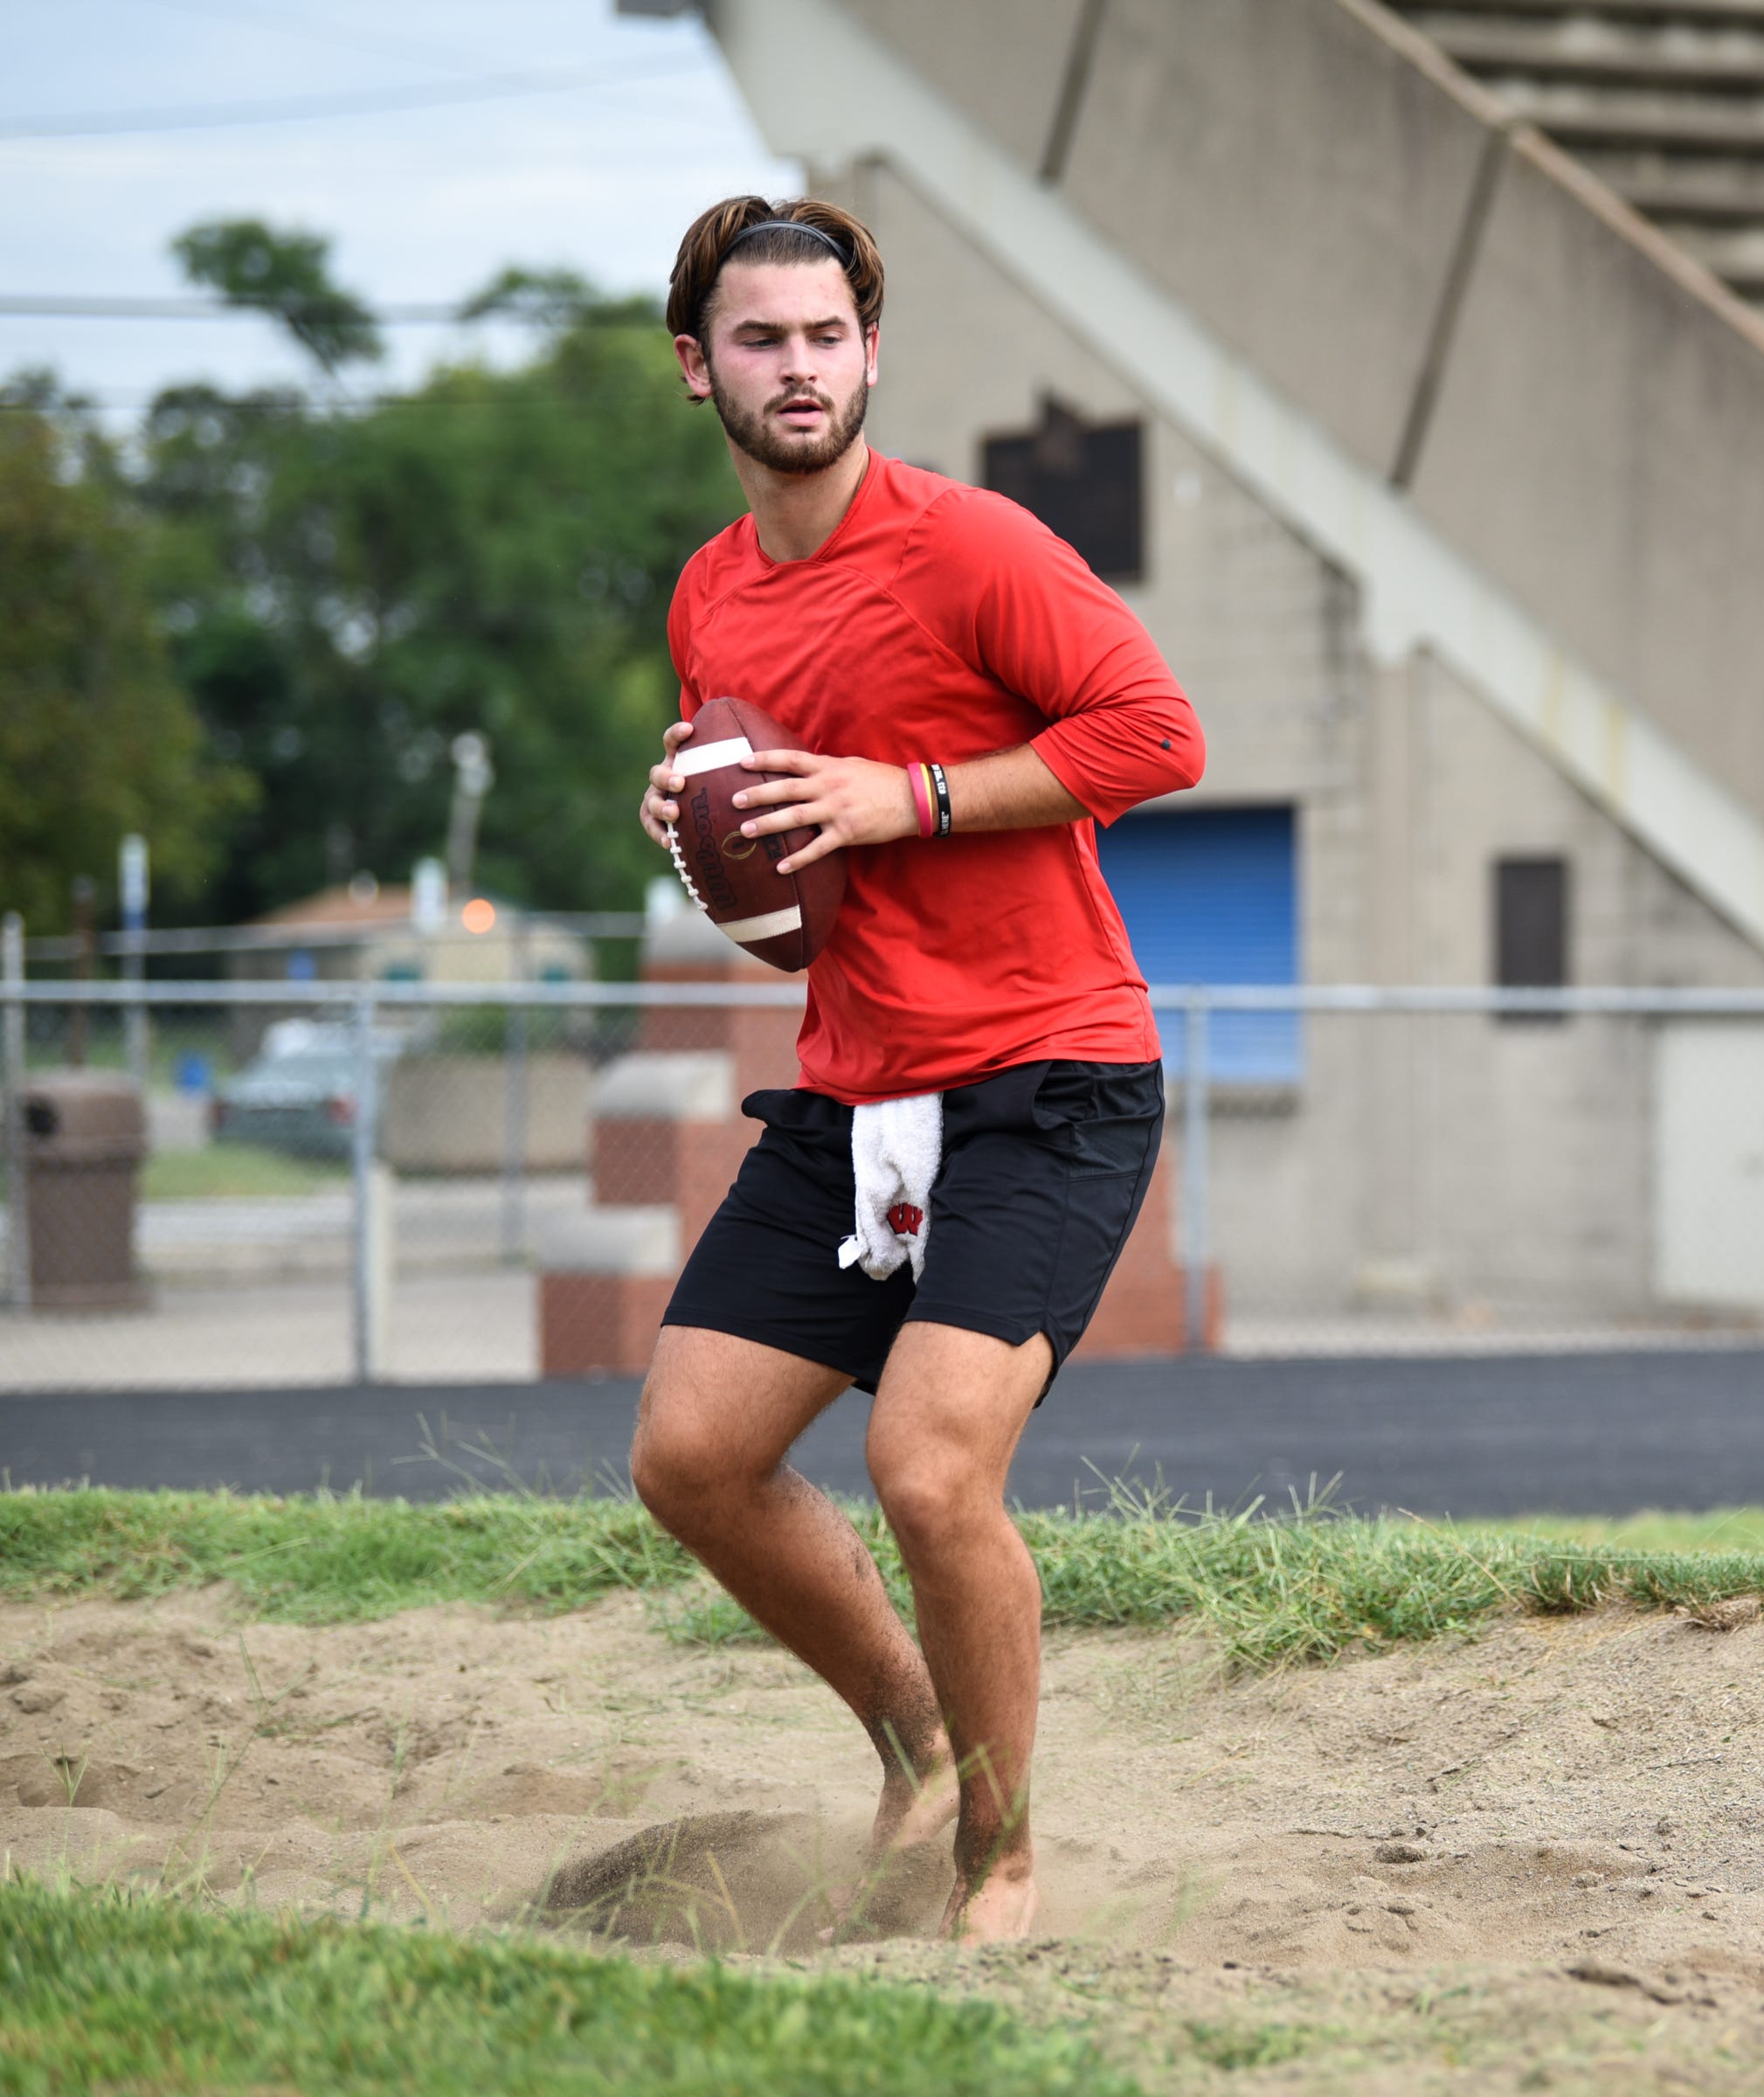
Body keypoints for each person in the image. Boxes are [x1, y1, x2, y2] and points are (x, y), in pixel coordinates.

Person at [626, 196, 1204, 1941]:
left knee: (933, 1470)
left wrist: (910, 794)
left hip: (1052, 1078)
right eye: (759, 340)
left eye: (824, 337)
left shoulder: (972, 548)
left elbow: (1158, 736)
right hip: (856, 1093)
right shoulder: (709, 596)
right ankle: (919, 1745)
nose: (796, 369)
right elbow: (788, 914)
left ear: (869, 351)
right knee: (691, 1458)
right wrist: (702, 835)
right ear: (697, 366)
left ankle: (999, 1864)